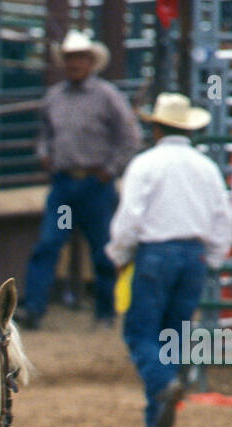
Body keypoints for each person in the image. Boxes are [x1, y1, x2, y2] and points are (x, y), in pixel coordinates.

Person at [107, 95, 232, 427]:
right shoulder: (206, 167)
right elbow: (224, 217)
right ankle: (158, 414)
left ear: (156, 127)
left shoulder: (146, 164)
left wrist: (120, 255)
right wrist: (213, 257)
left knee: (140, 332)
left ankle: (163, 385)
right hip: (193, 254)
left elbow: (129, 217)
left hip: (155, 253)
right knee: (173, 335)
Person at [17, 29, 141, 331]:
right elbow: (44, 134)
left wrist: (110, 169)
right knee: (49, 244)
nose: (74, 64)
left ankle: (105, 311)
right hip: (64, 183)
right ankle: (34, 308)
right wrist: (44, 153)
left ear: (90, 61)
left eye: (79, 58)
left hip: (95, 184)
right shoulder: (54, 98)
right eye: (70, 58)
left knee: (102, 249)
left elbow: (130, 138)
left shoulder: (107, 97)